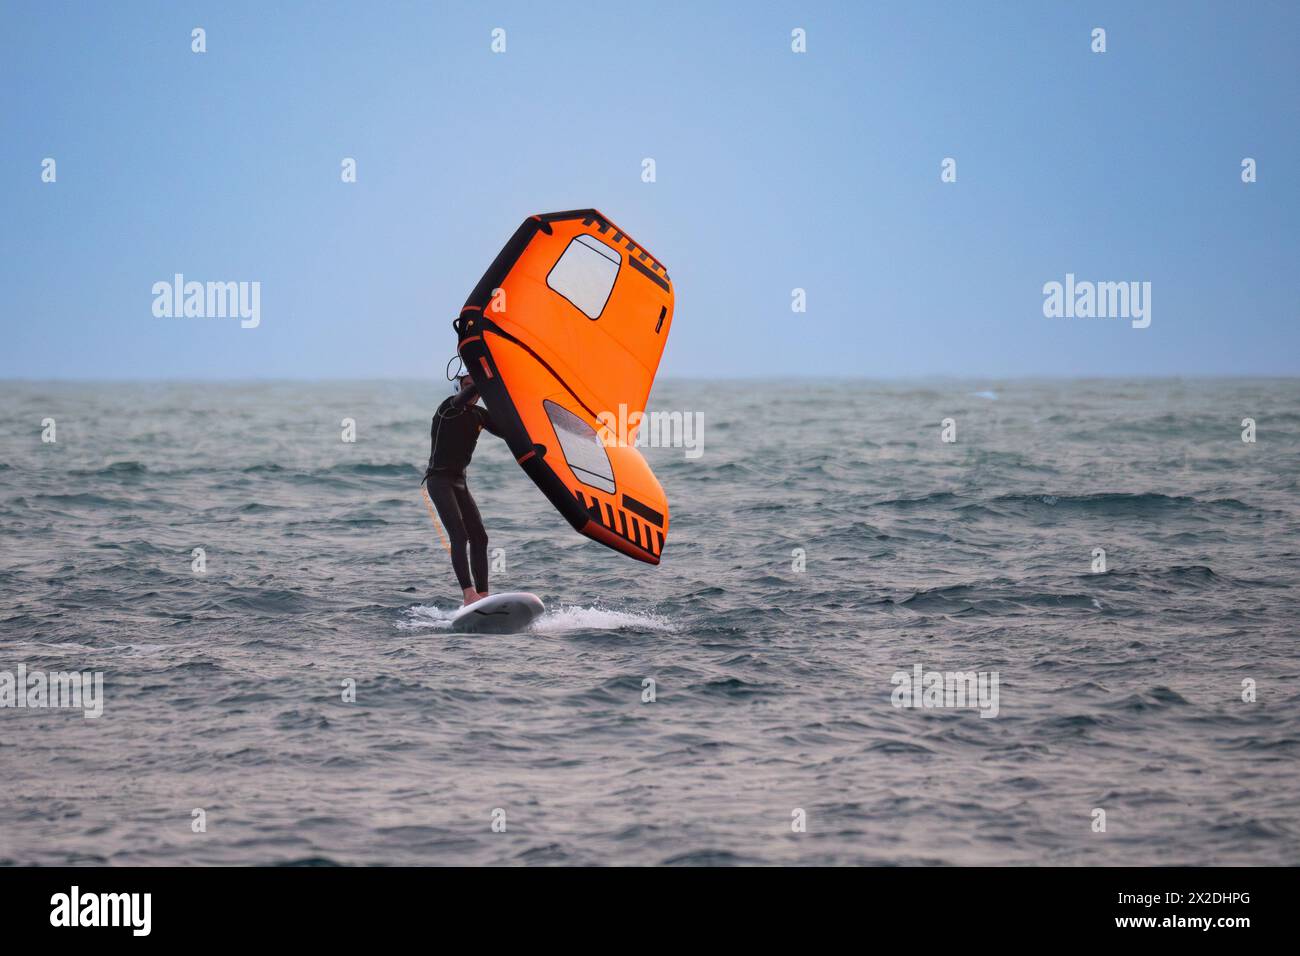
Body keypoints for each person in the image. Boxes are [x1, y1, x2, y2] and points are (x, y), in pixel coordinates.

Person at [422, 372, 502, 606]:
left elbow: (509, 432)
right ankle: (468, 596)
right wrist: (485, 378)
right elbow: (463, 396)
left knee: (480, 537)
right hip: (439, 481)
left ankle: (483, 596)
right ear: (458, 387)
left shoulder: (479, 415)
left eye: (476, 391)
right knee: (459, 536)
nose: (472, 392)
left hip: (459, 482)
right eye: (467, 386)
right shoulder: (449, 407)